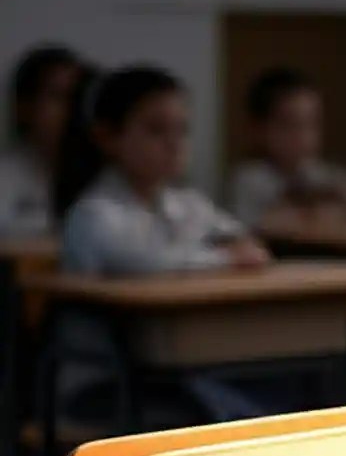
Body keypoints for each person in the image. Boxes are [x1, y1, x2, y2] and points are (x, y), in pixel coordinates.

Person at [56, 65, 275, 423]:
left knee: (265, 404)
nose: (174, 143)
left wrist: (235, 250)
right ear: (108, 137)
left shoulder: (187, 203)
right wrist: (224, 259)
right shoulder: (93, 214)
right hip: (103, 384)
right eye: (156, 130)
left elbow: (245, 242)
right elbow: (141, 264)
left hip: (176, 373)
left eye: (182, 130)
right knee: (217, 419)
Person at [227, 67, 346, 227]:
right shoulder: (249, 178)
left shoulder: (318, 173)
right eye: (289, 125)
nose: (303, 136)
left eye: (311, 123)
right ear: (258, 129)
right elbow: (251, 224)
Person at [0, 45, 84, 237]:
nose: (72, 110)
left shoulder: (107, 180)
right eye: (59, 97)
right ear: (25, 108)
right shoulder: (5, 177)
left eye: (77, 98)